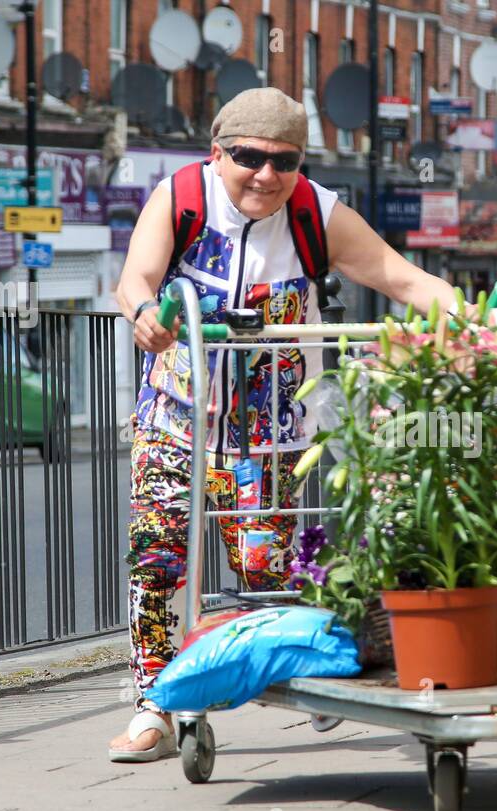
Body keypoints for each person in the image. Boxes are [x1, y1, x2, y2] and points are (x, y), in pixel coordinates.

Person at [109, 88, 466, 760]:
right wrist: (144, 313)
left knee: (264, 568)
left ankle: (310, 670)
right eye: (248, 157)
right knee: (157, 559)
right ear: (217, 153)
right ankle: (155, 706)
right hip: (177, 417)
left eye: (285, 161)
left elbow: (403, 279)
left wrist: (474, 319)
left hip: (270, 431)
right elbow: (137, 277)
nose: (266, 175)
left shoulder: (315, 213)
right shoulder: (182, 195)